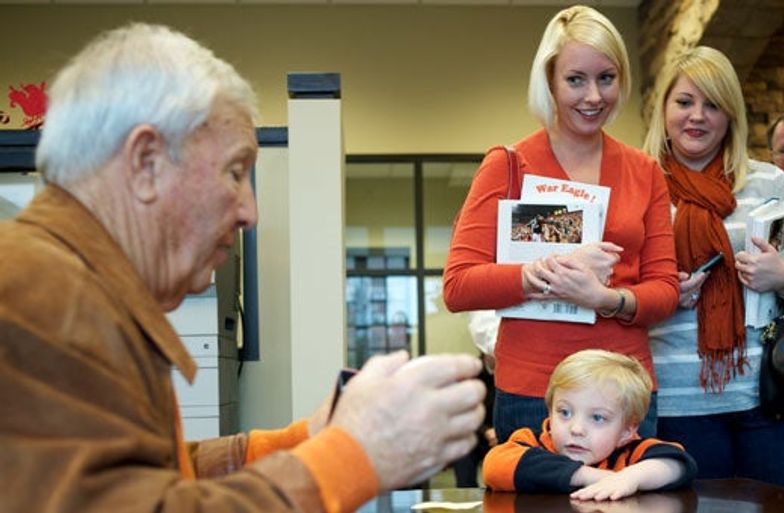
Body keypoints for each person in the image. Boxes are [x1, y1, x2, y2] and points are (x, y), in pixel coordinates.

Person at [0, 23, 486, 513]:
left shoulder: (62, 282)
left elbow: (145, 476)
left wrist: (306, 439)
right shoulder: (35, 294)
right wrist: (356, 454)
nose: (250, 212)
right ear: (146, 163)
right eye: (236, 172)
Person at [443, 4, 679, 443]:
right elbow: (459, 286)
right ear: (549, 81)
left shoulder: (644, 171)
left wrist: (606, 298)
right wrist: (546, 273)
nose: (593, 97)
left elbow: (664, 290)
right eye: (576, 80)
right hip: (535, 392)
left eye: (606, 78)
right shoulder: (509, 166)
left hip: (624, 391)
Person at [642, 47, 784, 496]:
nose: (697, 116)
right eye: (685, 102)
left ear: (732, 115)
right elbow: (609, 293)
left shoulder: (770, 183)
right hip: (673, 405)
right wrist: (658, 292)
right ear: (664, 109)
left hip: (773, 400)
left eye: (713, 105)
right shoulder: (639, 186)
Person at [482, 349, 696, 500]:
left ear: (627, 430)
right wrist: (592, 477)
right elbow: (494, 465)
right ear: (550, 411)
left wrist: (631, 478)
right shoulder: (533, 441)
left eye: (597, 418)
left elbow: (678, 463)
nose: (576, 429)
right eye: (564, 412)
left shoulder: (631, 452)